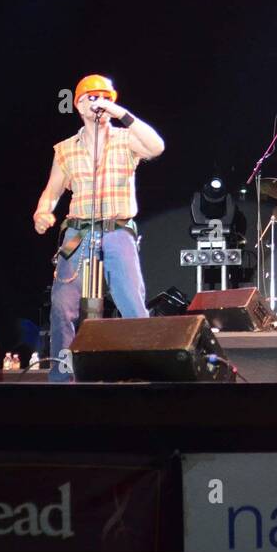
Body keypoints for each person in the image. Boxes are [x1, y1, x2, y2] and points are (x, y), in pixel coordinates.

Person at [34, 74, 165, 381]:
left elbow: (157, 146)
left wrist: (122, 114)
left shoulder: (126, 138)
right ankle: (61, 376)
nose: (98, 103)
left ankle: (147, 371)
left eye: (104, 97)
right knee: (61, 305)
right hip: (77, 233)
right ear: (78, 104)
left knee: (131, 300)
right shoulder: (65, 149)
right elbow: (52, 192)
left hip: (117, 229)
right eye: (91, 97)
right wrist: (42, 211)